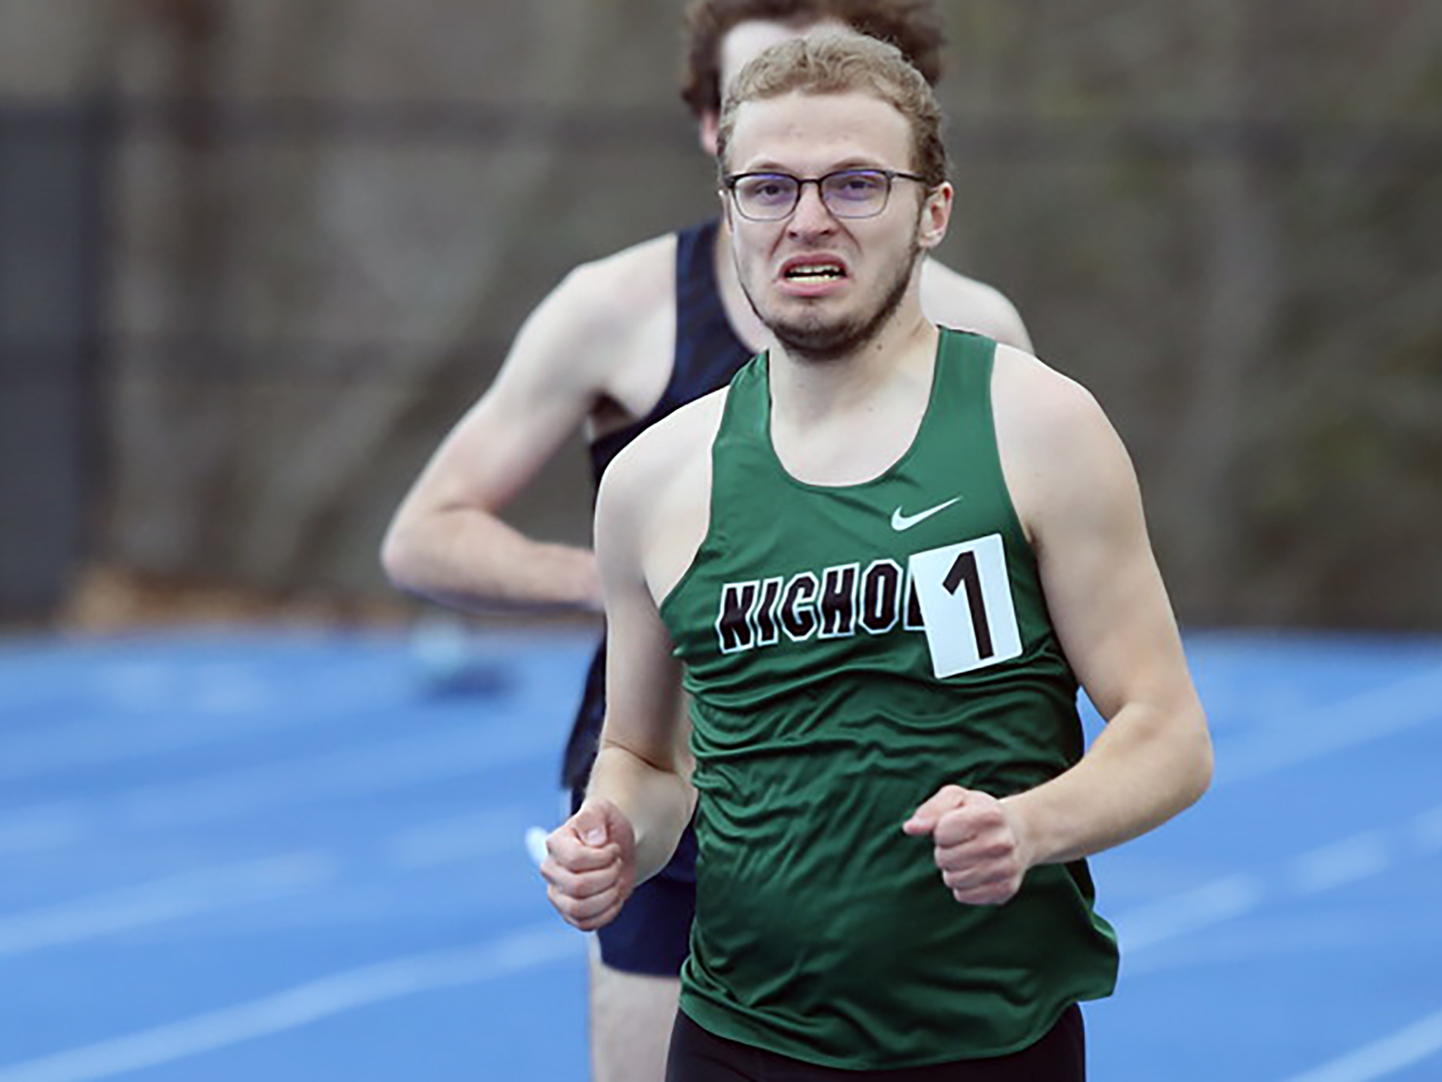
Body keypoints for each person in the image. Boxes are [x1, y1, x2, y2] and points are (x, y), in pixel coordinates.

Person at [541, 32, 1212, 1081]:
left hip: (989, 1042)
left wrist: (1030, 824)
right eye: (769, 187)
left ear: (932, 211)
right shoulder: (654, 481)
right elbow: (646, 758)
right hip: (736, 1040)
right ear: (731, 214)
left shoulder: (1038, 427)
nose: (809, 218)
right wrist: (614, 829)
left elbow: (1169, 734)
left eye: (855, 183)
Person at [380, 3, 1030, 1079]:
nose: (805, 135)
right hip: (671, 777)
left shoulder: (982, 337)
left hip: (894, 805)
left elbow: (992, 610)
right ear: (711, 132)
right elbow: (424, 533)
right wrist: (647, 586)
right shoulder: (614, 308)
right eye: (757, 101)